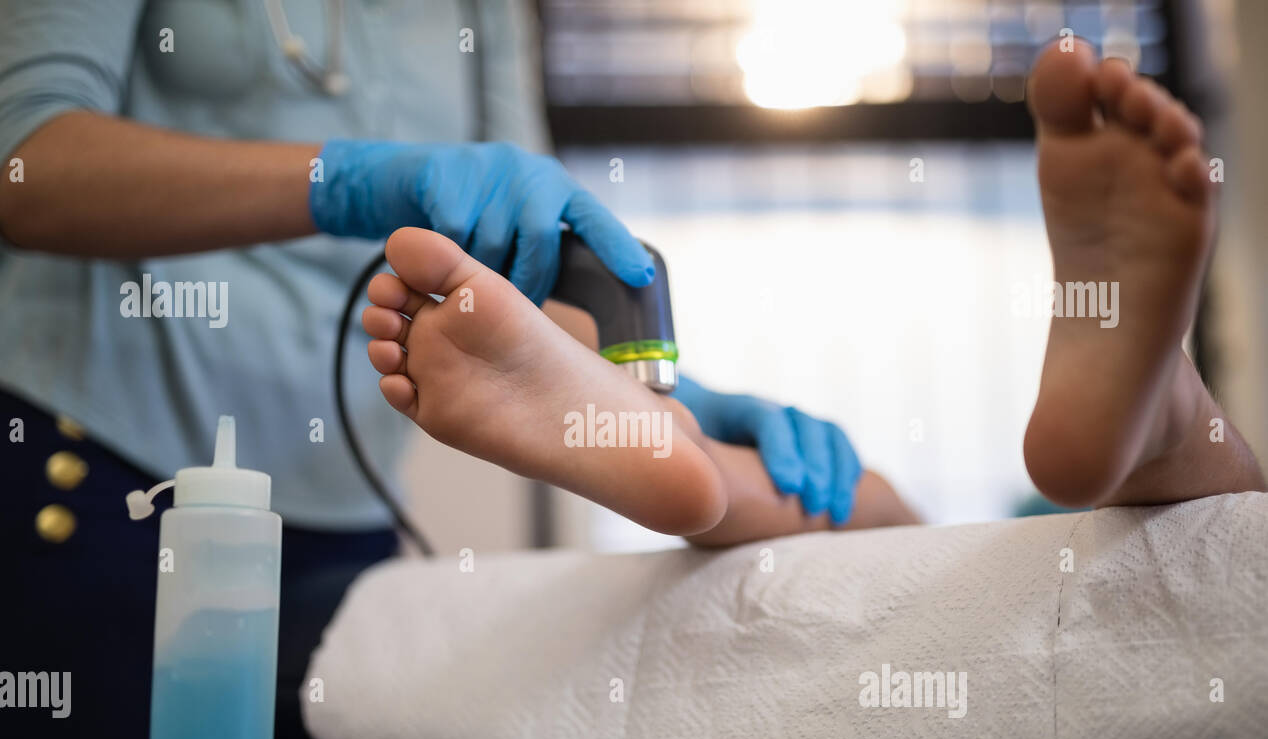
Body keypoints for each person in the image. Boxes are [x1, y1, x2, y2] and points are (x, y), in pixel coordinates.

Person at [0, 1, 862, 739]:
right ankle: (704, 469)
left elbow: (537, 256)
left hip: (345, 520)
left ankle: (684, 444)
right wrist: (346, 179)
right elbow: (12, 157)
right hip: (93, 479)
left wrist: (664, 385)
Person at [360, 44, 1265, 540]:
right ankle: (1165, 412)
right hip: (1020, 526)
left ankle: (692, 462)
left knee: (874, 510)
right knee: (883, 509)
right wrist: (328, 178)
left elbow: (521, 234)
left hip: (1004, 527)